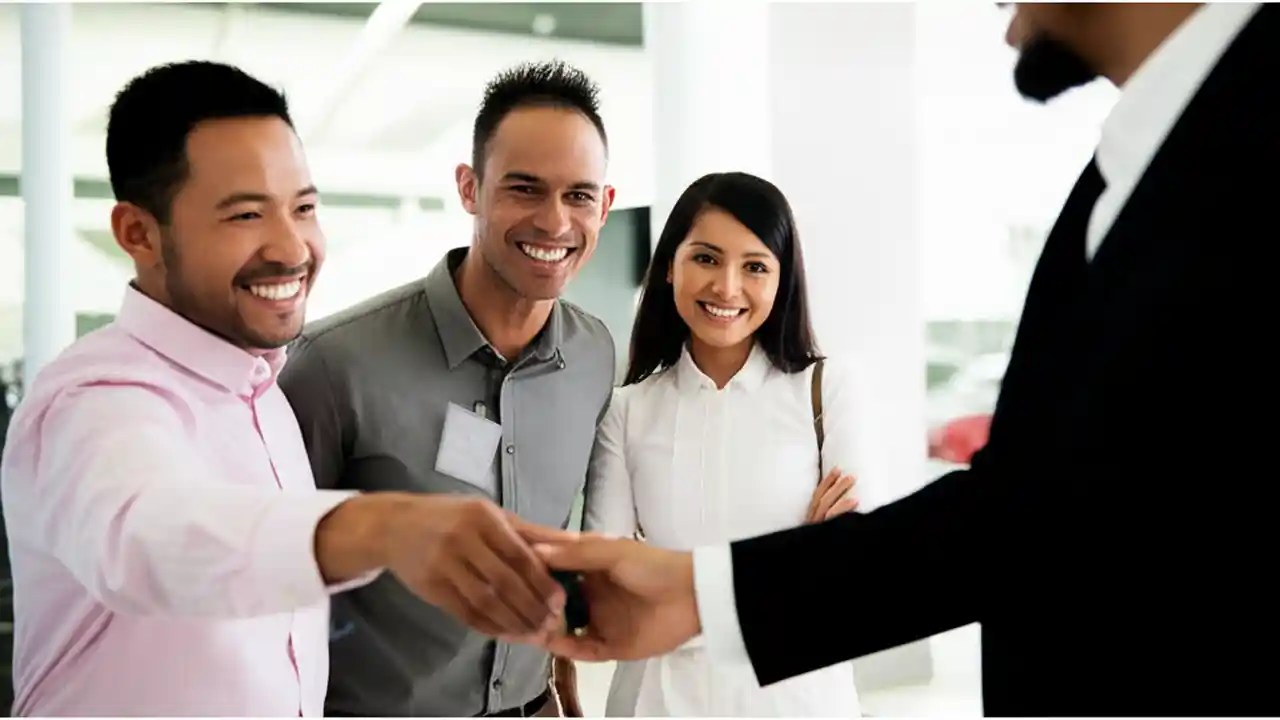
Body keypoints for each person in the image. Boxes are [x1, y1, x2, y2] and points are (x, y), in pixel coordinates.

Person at [522, 3, 1278, 716]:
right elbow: (1029, 512)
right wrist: (705, 588)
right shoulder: (1129, 171)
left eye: (755, 265)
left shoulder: (1218, 153)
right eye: (706, 259)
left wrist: (697, 586)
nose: (996, 8)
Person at [0, 61, 565, 717]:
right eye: (244, 214)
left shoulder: (263, 389)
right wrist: (384, 525)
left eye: (303, 208)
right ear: (138, 234)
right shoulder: (94, 396)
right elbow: (148, 536)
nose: (292, 246)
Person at [277, 59, 617, 717]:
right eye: (524, 189)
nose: (554, 223)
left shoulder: (595, 356)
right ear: (470, 188)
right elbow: (270, 570)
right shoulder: (334, 364)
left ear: (604, 205)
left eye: (578, 195)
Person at [552, 172, 868, 717]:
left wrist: (667, 585)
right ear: (670, 265)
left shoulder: (827, 391)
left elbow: (856, 580)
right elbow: (610, 593)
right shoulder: (627, 412)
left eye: (755, 266)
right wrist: (793, 568)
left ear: (782, 280)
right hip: (656, 704)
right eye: (705, 258)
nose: (726, 287)